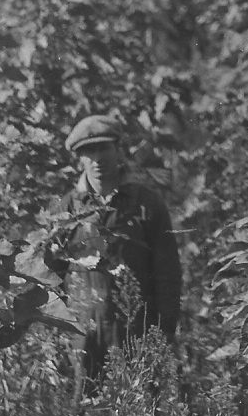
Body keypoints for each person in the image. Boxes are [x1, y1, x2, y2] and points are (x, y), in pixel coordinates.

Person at [63, 113, 182, 392]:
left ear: (118, 150)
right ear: (79, 159)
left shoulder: (146, 204)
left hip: (135, 331)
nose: (98, 159)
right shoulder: (66, 210)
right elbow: (51, 275)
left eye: (104, 148)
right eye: (88, 152)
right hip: (84, 336)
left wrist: (163, 332)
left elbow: (167, 273)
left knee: (140, 414)